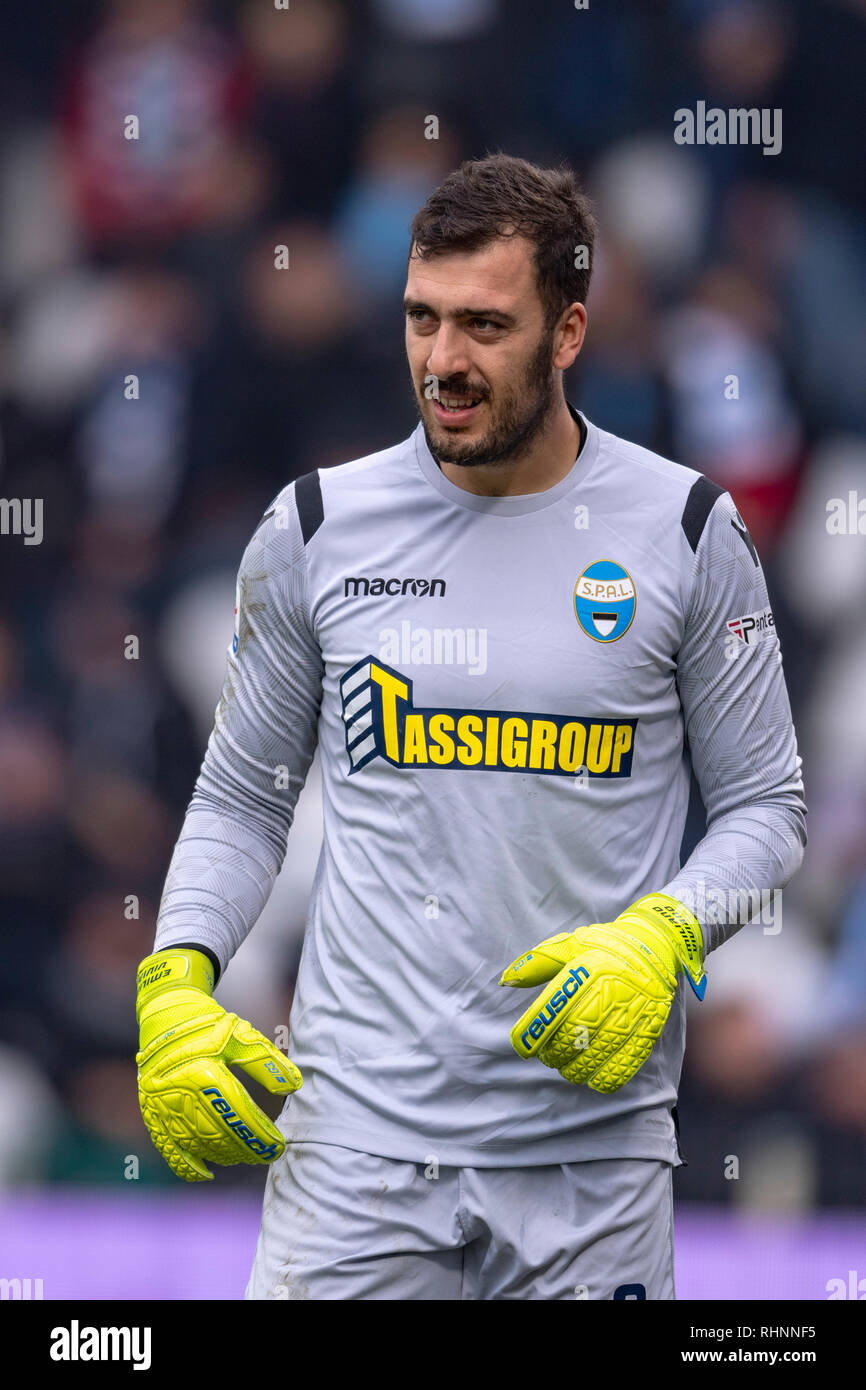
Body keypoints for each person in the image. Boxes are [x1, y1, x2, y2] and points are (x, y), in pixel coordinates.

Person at [135, 154, 806, 1300]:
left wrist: (666, 934)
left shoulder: (685, 528)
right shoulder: (314, 524)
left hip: (591, 1159)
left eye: (484, 325)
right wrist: (176, 978)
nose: (441, 362)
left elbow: (768, 811)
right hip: (352, 1149)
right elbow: (243, 798)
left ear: (568, 330)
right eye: (421, 320)